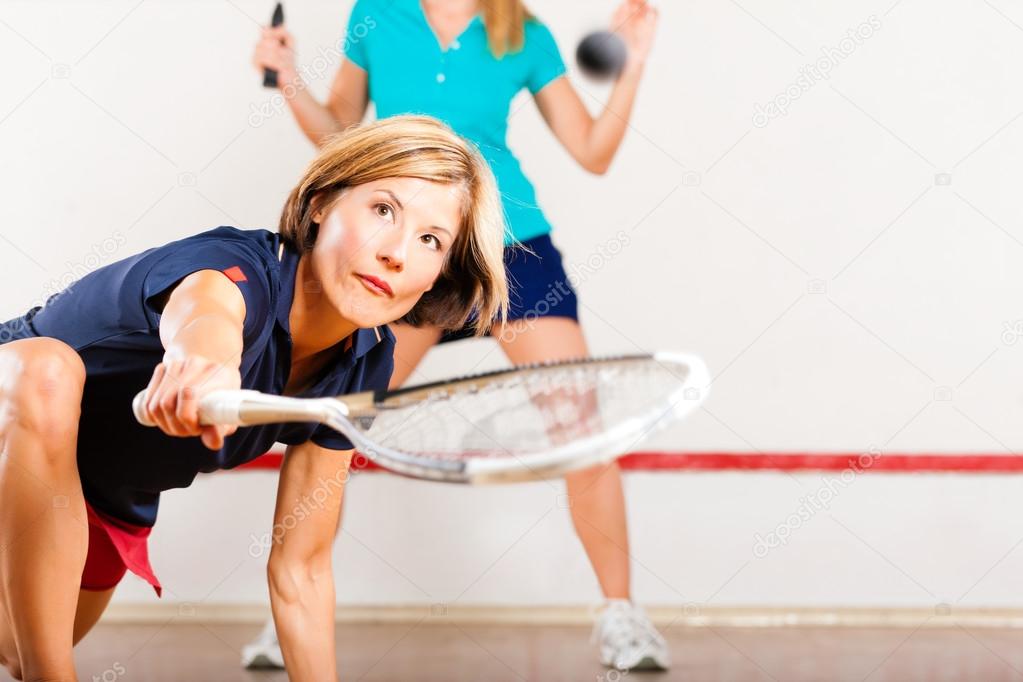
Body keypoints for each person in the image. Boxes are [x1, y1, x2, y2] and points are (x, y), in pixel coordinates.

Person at [0, 115, 508, 682]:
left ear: (439, 274)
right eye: (383, 210)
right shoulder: (237, 270)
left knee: (18, 650)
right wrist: (206, 363)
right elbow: (207, 312)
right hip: (9, 420)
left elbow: (303, 569)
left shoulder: (365, 363)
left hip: (101, 502)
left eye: (430, 240)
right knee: (45, 370)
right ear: (321, 203)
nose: (396, 252)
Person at [248, 0, 668, 672]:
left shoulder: (523, 33)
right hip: (411, 251)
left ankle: (621, 615)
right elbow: (338, 134)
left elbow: (592, 151)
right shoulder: (377, 16)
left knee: (579, 427)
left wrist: (634, 63)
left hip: (515, 248)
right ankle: (292, 609)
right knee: (337, 421)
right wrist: (289, 75)